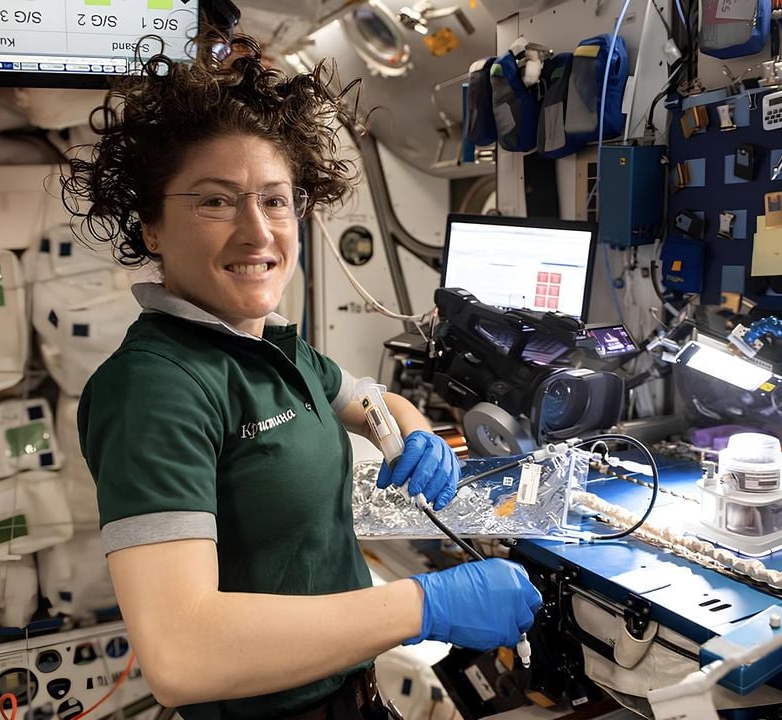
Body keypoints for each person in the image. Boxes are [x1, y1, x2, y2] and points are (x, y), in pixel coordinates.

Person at [62, 32, 541, 720]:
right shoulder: (156, 388)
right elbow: (180, 655)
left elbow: (373, 399)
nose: (257, 233)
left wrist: (410, 435)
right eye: (216, 202)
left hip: (350, 693)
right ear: (153, 227)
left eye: (276, 201)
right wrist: (427, 605)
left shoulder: (274, 349)